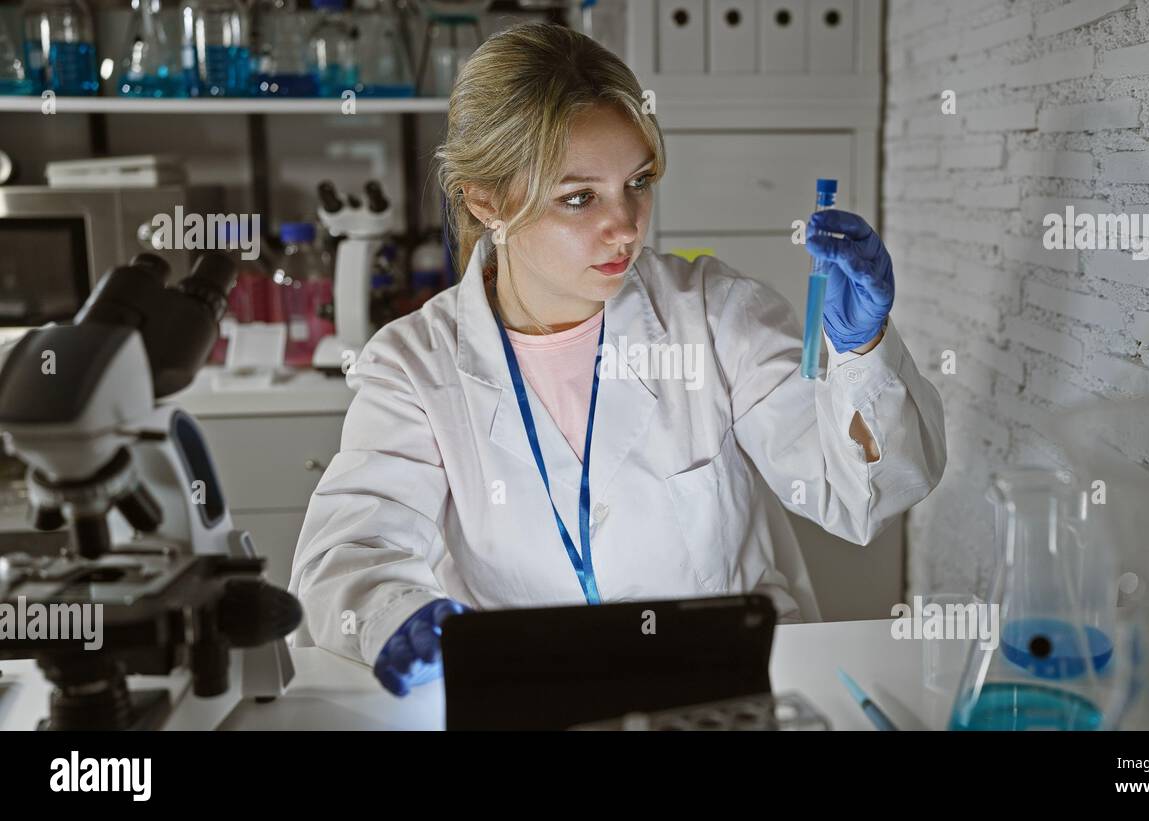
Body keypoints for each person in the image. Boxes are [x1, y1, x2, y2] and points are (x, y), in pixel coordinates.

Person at [288, 23, 946, 697]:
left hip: (719, 696)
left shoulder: (714, 314)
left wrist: (860, 349)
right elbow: (350, 551)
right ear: (488, 203)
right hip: (534, 700)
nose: (627, 224)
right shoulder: (413, 367)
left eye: (638, 181)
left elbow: (859, 496)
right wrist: (401, 616)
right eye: (580, 197)